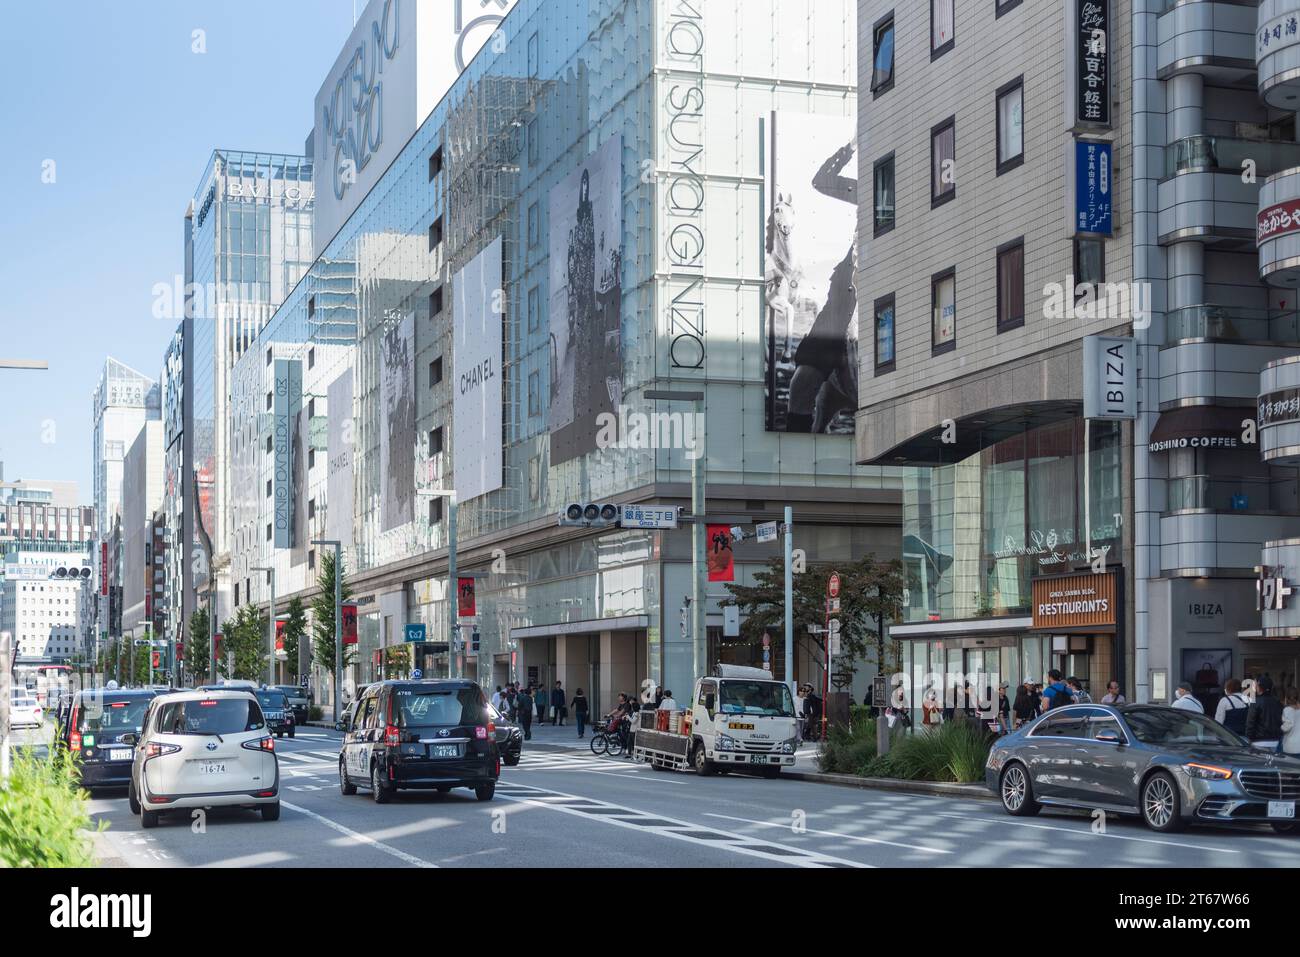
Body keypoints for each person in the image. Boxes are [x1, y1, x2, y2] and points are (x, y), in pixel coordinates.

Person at [1246, 675, 1284, 744]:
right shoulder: (1277, 701)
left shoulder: (1256, 702)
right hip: (1275, 740)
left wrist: (1249, 737)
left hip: (1259, 740)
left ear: (1259, 687)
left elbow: (1250, 723)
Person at [1281, 688, 1300, 756]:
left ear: (1286, 698)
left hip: (1290, 747)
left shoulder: (1287, 710)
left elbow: (1286, 727)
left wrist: (1281, 727)